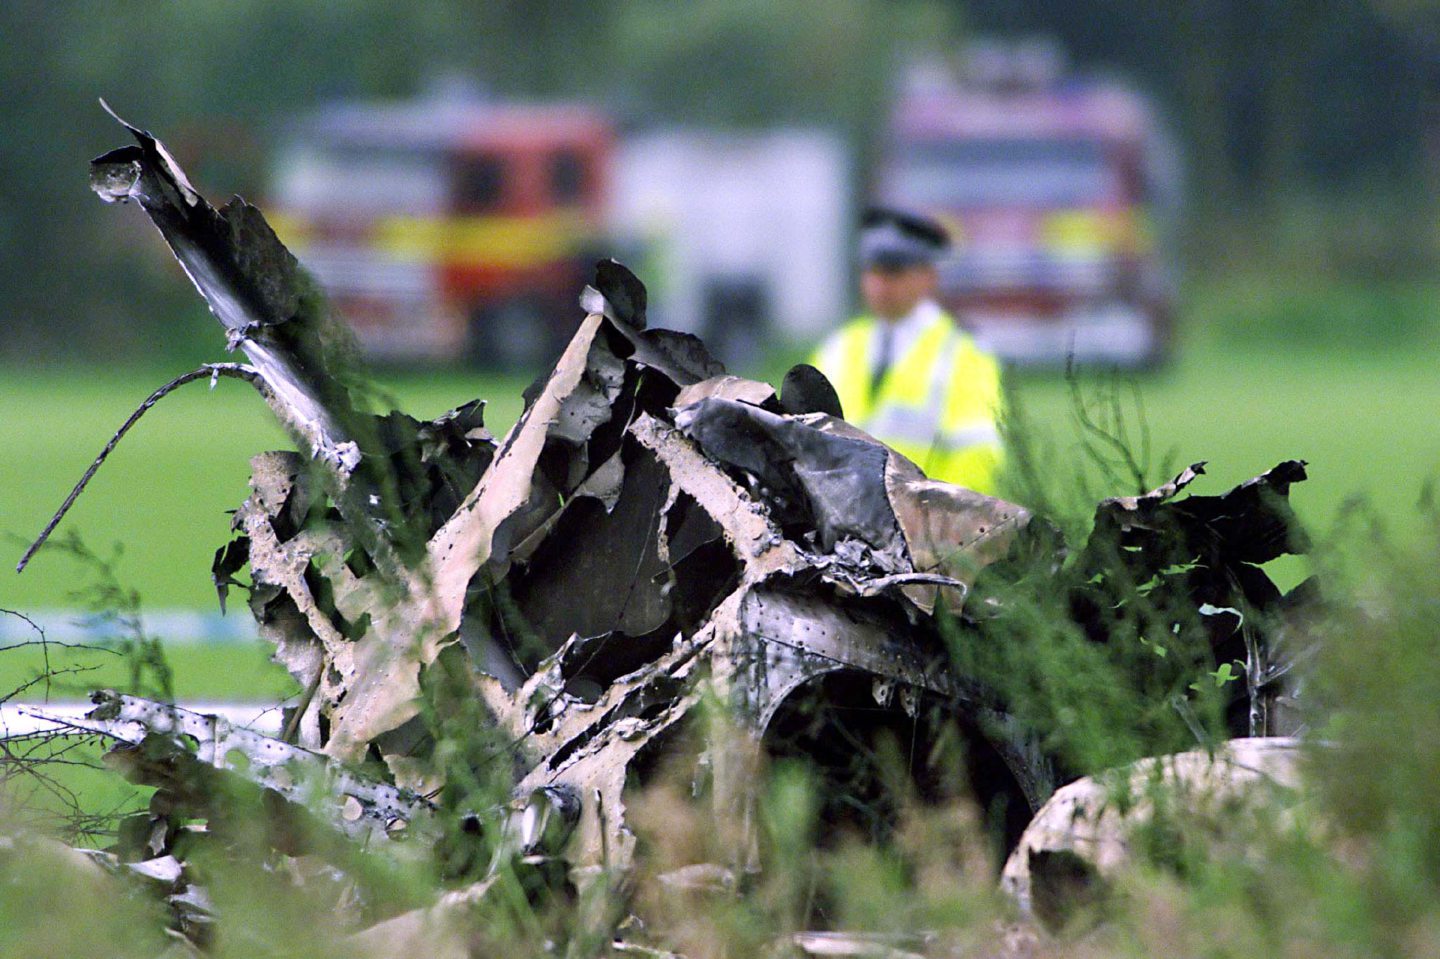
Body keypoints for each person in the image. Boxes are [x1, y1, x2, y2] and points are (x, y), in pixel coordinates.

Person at [811, 207, 1004, 494]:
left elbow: (977, 458)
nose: (879, 285)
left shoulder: (964, 354)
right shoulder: (838, 348)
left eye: (893, 272)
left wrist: (939, 524)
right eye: (871, 272)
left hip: (925, 524)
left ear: (928, 276)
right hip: (843, 523)